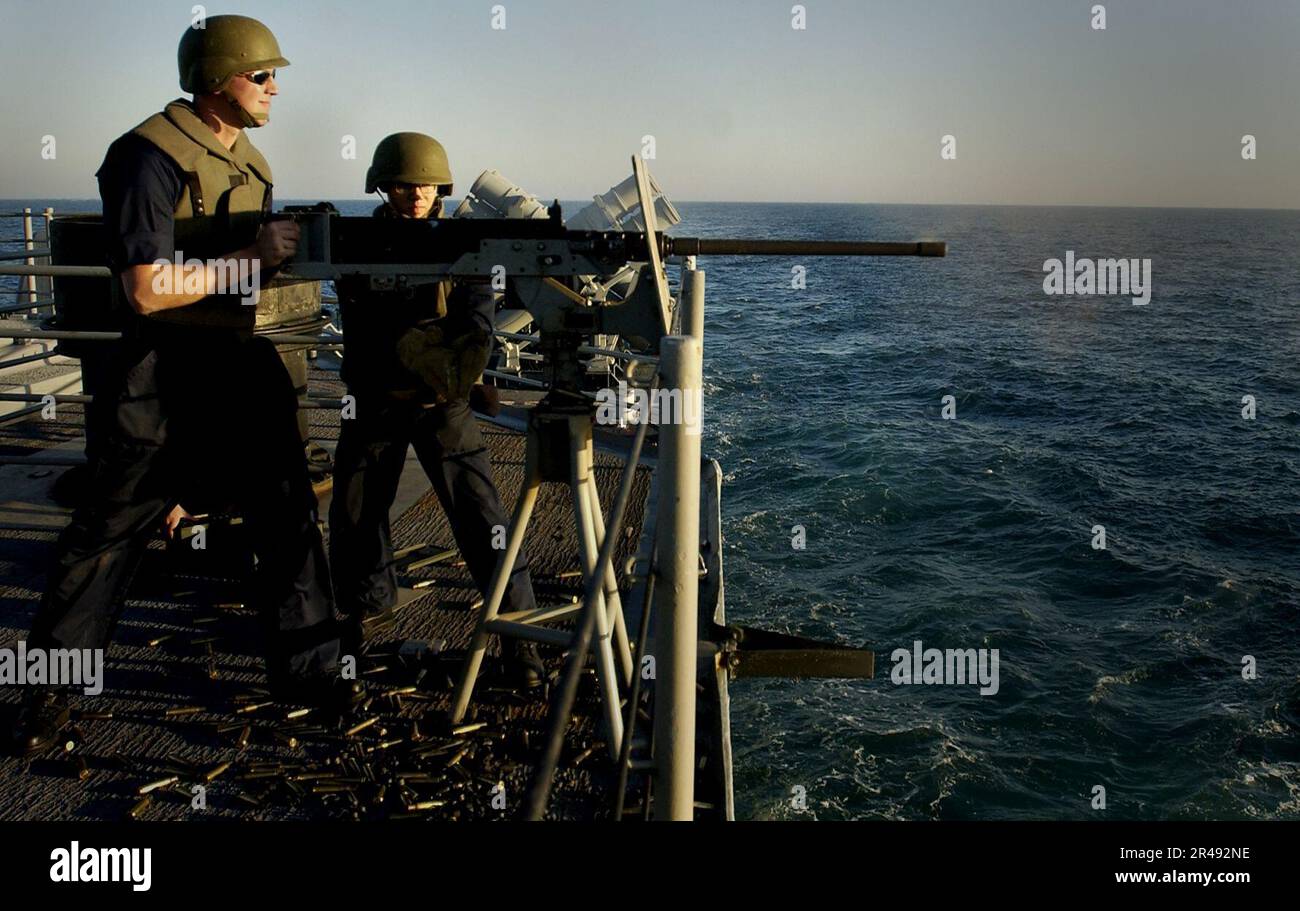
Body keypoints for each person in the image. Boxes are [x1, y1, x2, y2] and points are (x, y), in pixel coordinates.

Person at [11, 14, 355, 756]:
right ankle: (48, 698)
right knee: (105, 538)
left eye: (274, 77)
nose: (273, 88)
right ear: (215, 78)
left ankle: (314, 678)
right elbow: (143, 289)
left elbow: (250, 266)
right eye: (260, 75)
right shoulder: (146, 156)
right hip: (162, 372)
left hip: (237, 360)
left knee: (290, 517)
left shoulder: (252, 163)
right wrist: (252, 255)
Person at [329, 132, 544, 685]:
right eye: (404, 186)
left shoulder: (464, 243)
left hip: (441, 400)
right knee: (356, 515)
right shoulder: (358, 241)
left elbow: (476, 312)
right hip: (377, 396)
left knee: (482, 519)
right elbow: (361, 309)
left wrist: (468, 366)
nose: (416, 195)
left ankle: (522, 643)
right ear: (384, 187)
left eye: (425, 185)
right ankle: (364, 612)